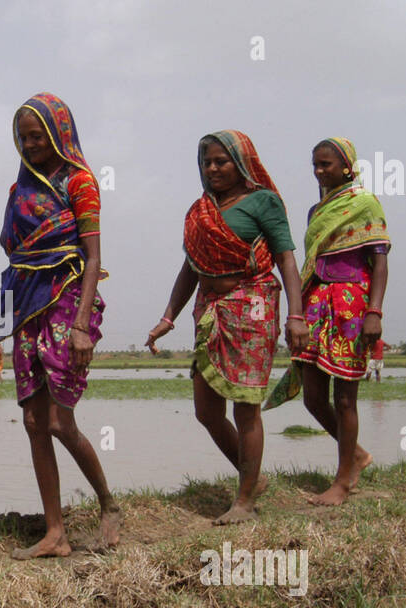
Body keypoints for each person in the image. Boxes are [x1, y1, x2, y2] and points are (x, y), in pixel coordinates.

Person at [0, 94, 120, 558]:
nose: (30, 144)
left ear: (59, 133)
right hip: (26, 305)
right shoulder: (19, 193)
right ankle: (55, 532)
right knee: (34, 420)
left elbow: (93, 257)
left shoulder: (80, 182)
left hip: (68, 298)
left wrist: (80, 326)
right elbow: (17, 265)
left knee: (58, 420)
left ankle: (108, 504)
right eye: (23, 137)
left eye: (38, 136)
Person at [147, 130, 305, 524]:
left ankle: (245, 501)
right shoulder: (201, 210)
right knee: (205, 409)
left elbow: (286, 260)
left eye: (221, 161)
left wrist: (296, 316)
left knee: (246, 407)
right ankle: (254, 476)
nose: (213, 168)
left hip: (252, 304)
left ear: (242, 162)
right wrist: (169, 317)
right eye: (207, 162)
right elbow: (190, 268)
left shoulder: (263, 202)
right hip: (210, 307)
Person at [265, 138, 388, 506]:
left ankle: (343, 481)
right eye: (315, 165)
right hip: (316, 302)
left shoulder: (365, 203)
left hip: (352, 305)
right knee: (314, 397)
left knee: (346, 398)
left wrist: (374, 312)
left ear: (347, 166)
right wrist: (297, 312)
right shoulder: (316, 210)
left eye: (327, 165)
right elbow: (310, 262)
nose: (319, 171)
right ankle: (359, 456)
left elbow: (380, 263)